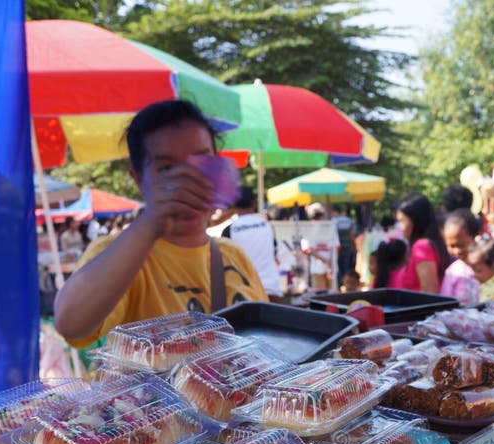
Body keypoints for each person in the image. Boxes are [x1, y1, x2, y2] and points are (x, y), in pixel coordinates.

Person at [54, 99, 267, 347]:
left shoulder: (234, 256)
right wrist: (151, 222)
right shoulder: (117, 256)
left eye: (201, 163)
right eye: (167, 168)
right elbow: (71, 324)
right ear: (138, 180)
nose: (187, 178)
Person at [221, 185, 282, 299]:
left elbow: (225, 265)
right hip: (271, 289)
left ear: (234, 205)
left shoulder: (230, 230)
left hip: (244, 293)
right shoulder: (267, 225)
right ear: (254, 204)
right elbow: (274, 255)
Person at [391, 193, 448, 293]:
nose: (400, 227)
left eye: (402, 221)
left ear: (415, 220)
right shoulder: (428, 243)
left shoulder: (422, 246)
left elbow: (430, 293)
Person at [439, 208, 482, 304]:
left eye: (462, 245)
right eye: (451, 246)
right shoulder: (453, 272)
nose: (457, 251)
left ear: (476, 237)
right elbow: (445, 304)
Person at [300, 203, 336, 291]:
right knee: (319, 295)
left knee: (332, 294)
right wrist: (327, 262)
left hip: (330, 269)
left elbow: (335, 248)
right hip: (317, 270)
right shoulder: (308, 230)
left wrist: (330, 265)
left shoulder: (330, 228)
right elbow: (308, 250)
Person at [331, 204, 356, 285]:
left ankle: (341, 282)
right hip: (347, 246)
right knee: (346, 265)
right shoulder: (348, 220)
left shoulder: (334, 221)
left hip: (338, 248)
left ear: (335, 211)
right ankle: (347, 282)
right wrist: (353, 245)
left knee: (339, 265)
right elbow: (351, 234)